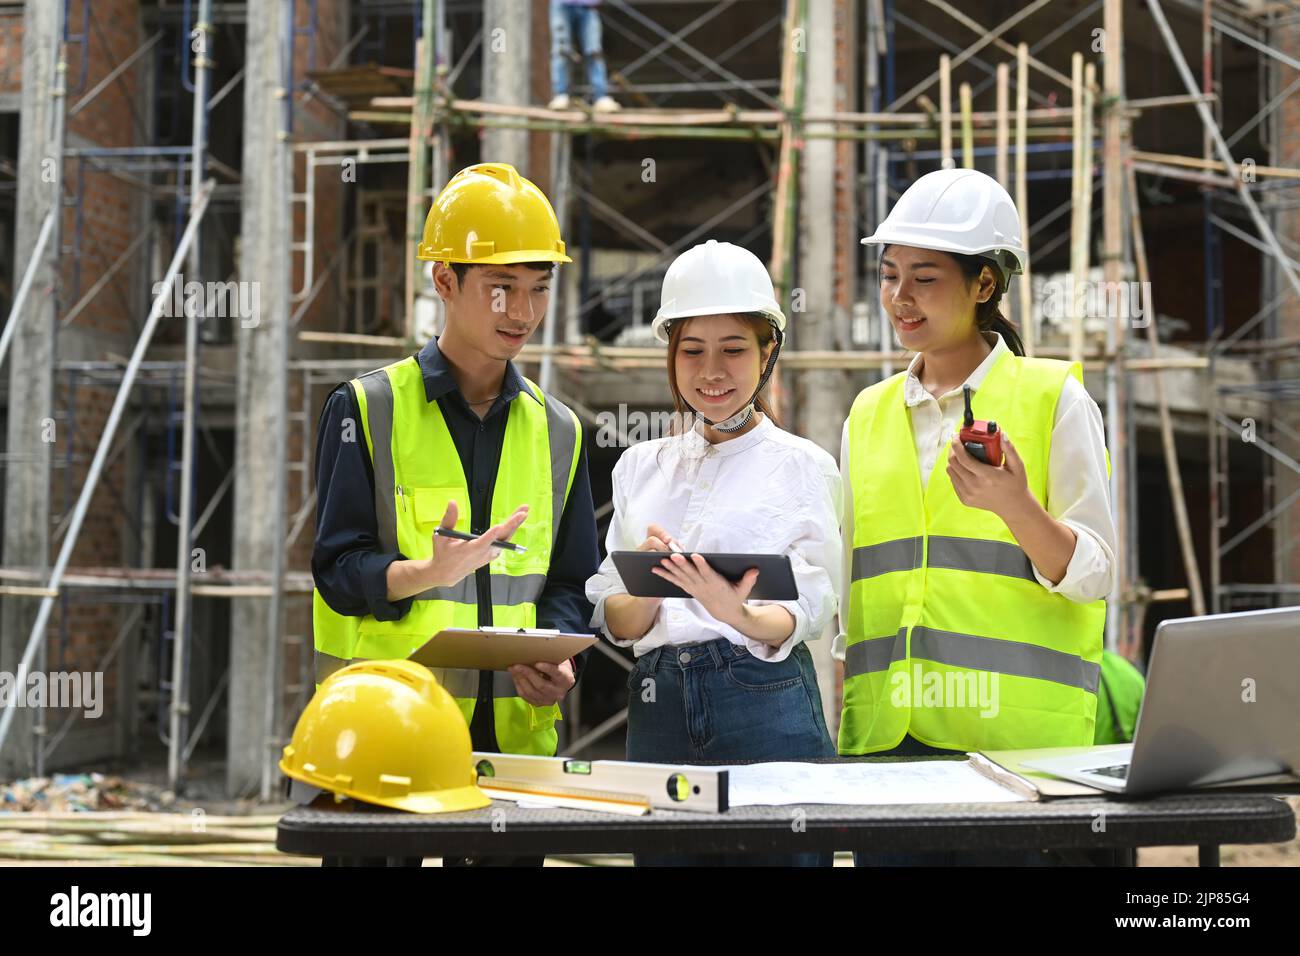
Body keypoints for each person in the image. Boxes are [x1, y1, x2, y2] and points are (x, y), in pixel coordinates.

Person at [311, 162, 599, 866]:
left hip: (511, 745)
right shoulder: (366, 410)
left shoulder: (561, 430)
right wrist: (422, 573)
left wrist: (555, 656)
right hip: (387, 739)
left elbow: (571, 583)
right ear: (445, 282)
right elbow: (337, 572)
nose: (522, 314)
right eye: (501, 289)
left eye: (537, 290)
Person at [841, 167, 1117, 865]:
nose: (900, 298)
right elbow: (848, 590)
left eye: (925, 278)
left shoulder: (1054, 397)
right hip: (889, 751)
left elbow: (1096, 573)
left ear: (985, 285)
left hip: (1020, 761)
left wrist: (1016, 506)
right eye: (889, 275)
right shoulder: (867, 413)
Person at [586, 239, 839, 866]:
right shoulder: (640, 467)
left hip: (764, 697)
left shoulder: (803, 466)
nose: (712, 371)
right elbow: (616, 618)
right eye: (692, 351)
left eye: (734, 350)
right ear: (670, 356)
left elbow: (810, 606)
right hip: (658, 706)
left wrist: (738, 613)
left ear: (767, 353)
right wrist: (644, 585)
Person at [548, 0, 620, 112]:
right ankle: (560, 95)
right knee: (561, 50)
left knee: (594, 51)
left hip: (588, 5)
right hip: (562, 4)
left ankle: (600, 97)